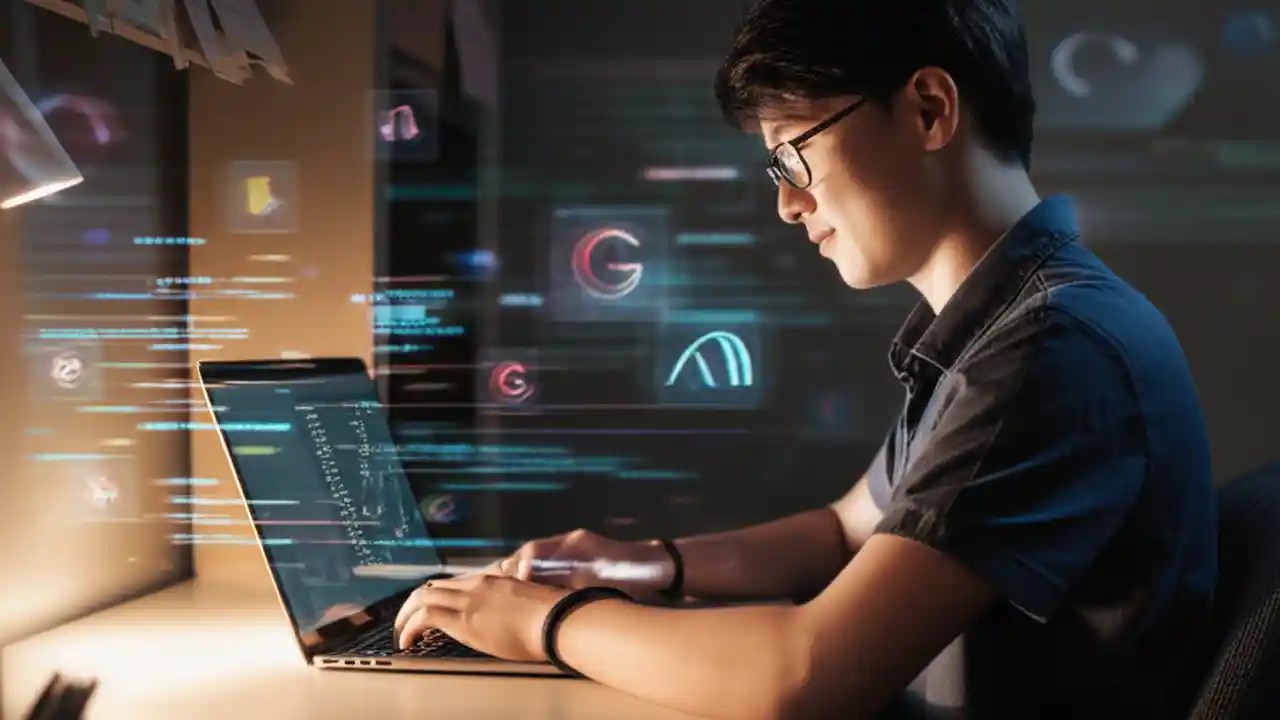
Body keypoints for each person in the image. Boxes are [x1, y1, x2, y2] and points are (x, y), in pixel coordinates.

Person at [393, 1, 1218, 717]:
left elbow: (808, 679)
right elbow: (843, 531)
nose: (788, 203)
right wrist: (645, 564)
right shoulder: (1005, 325)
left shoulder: (1051, 349)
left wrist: (545, 624)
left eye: (794, 153)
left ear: (929, 109)